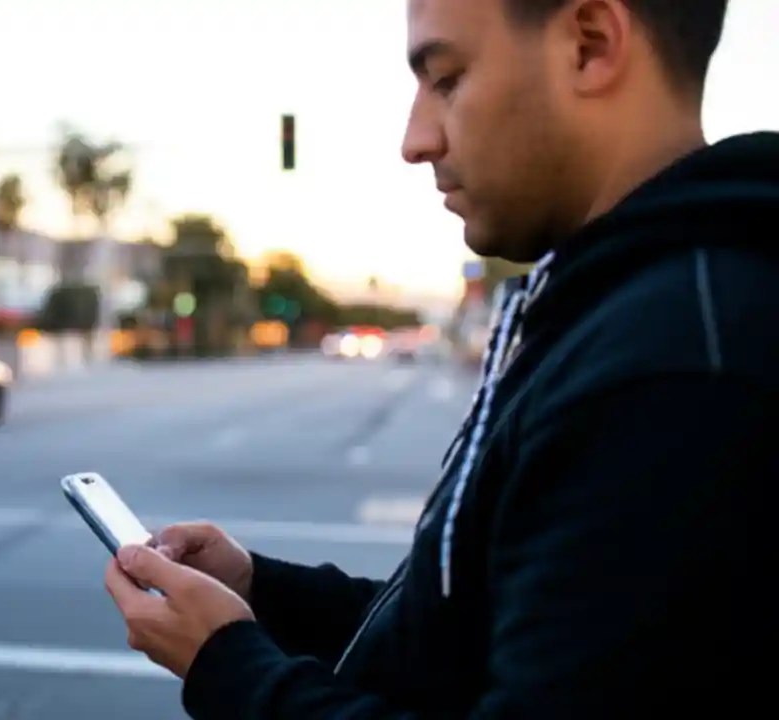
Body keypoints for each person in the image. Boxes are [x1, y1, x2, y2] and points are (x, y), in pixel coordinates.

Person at [103, 0, 778, 717]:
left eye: (446, 79)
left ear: (589, 44)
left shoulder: (675, 368)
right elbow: (466, 634)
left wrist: (230, 669)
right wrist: (262, 590)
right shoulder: (617, 310)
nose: (414, 139)